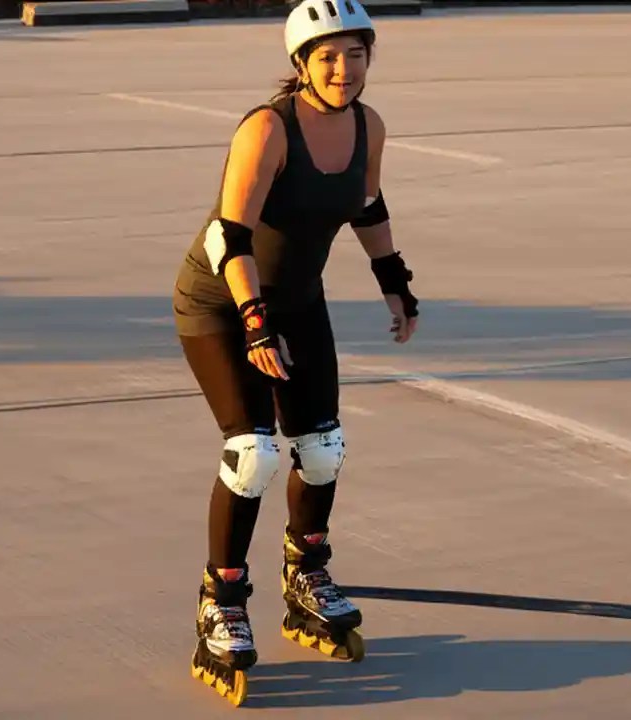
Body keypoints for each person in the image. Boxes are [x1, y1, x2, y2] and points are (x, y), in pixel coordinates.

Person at [172, 0, 420, 704]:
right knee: (252, 454)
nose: (344, 69)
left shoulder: (368, 125)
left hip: (298, 301)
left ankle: (305, 572)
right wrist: (254, 321)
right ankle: (221, 601)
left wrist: (393, 282)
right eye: (329, 57)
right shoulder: (268, 129)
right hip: (222, 303)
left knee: (324, 448)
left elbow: (366, 205)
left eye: (357, 54)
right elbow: (230, 236)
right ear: (301, 65)